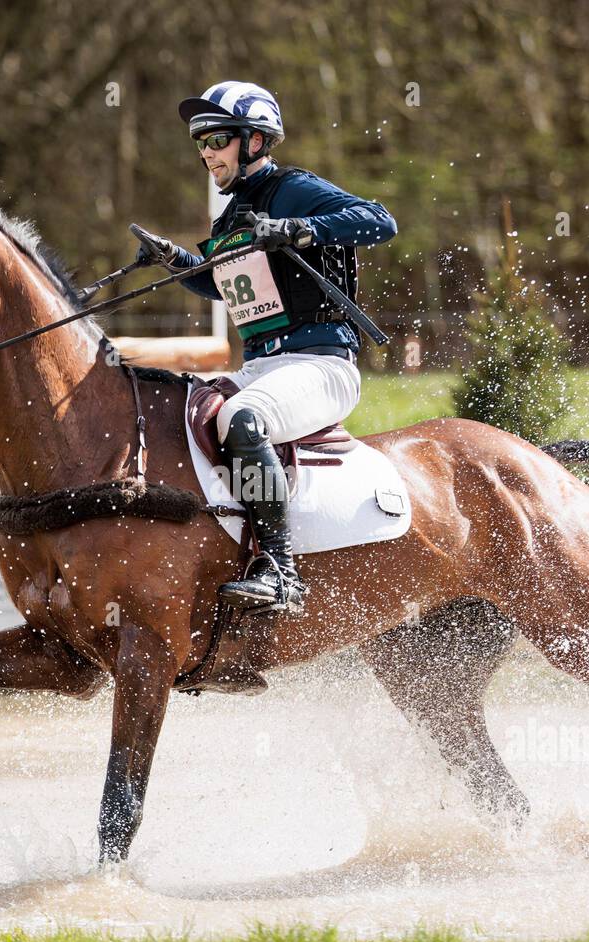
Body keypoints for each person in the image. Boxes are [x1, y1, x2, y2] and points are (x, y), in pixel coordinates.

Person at [135, 81, 397, 614]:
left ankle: (281, 572)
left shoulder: (293, 188)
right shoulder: (230, 217)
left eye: (216, 139)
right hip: (265, 366)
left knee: (243, 420)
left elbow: (379, 221)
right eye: (200, 142)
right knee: (185, 415)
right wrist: (176, 260)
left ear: (254, 139)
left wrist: (299, 229)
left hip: (321, 364)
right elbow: (217, 285)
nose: (206, 152)